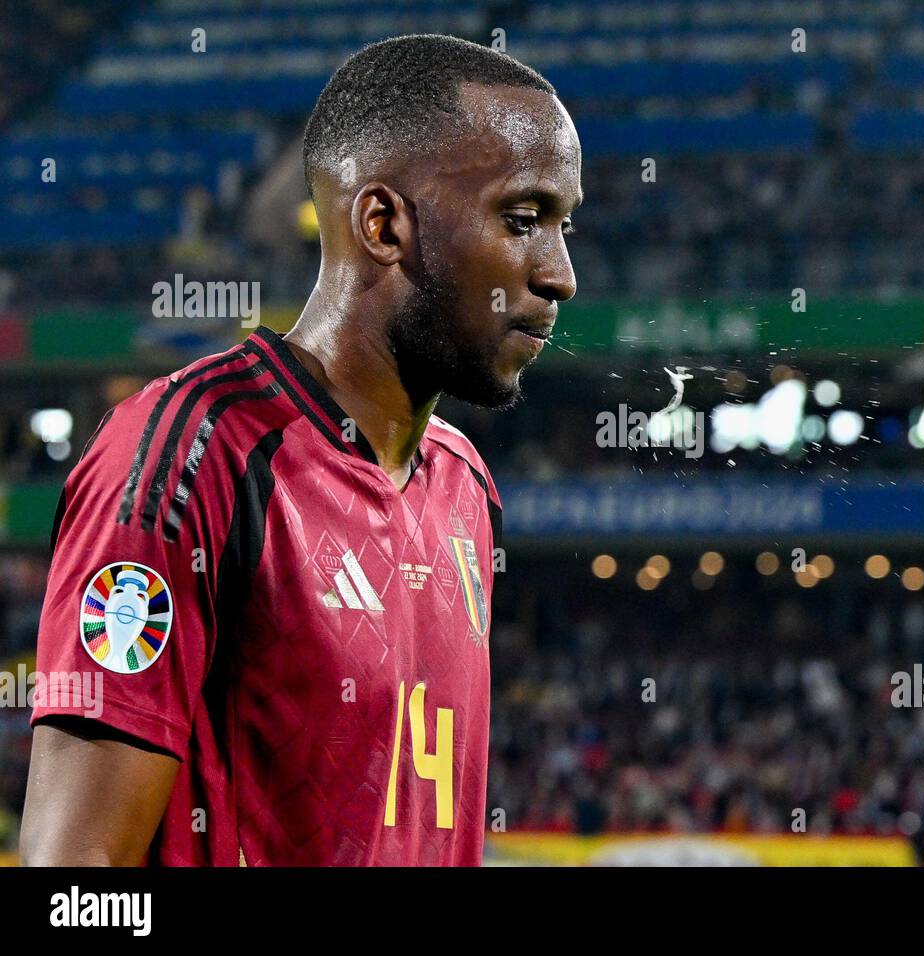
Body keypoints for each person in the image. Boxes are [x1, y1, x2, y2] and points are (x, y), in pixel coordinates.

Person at [20, 33, 581, 865]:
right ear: (384, 223)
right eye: (523, 220)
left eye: (564, 227)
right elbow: (75, 875)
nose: (561, 274)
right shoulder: (188, 458)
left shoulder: (465, 484)